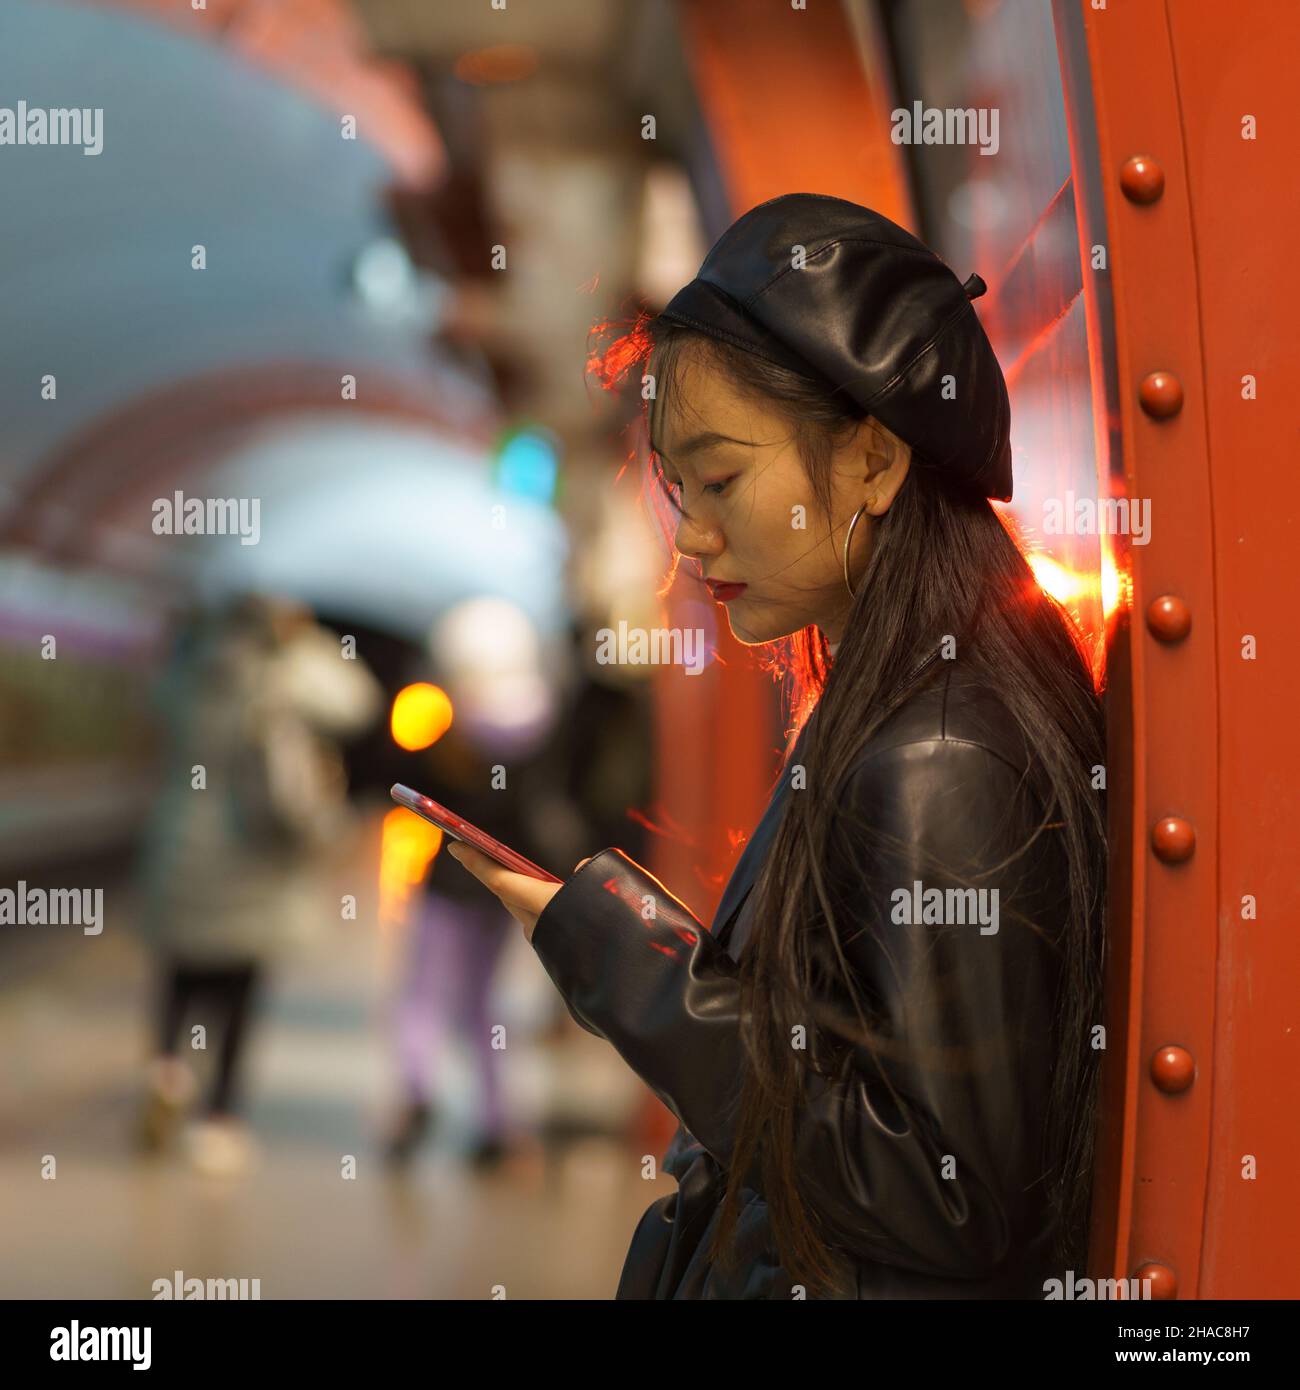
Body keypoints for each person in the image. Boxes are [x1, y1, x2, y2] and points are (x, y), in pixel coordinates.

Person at [444, 194, 1108, 1299]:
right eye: (677, 489)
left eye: (722, 479)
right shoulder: (905, 700)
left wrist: (637, 970)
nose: (692, 534)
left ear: (874, 464)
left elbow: (944, 1194)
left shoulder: (938, 755)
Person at [135, 594, 382, 1175]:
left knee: (182, 966)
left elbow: (151, 709)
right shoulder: (283, 675)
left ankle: (168, 1066)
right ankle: (219, 1118)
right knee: (240, 984)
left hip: (181, 841)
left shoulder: (186, 670)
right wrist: (306, 641)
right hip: (256, 852)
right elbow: (357, 703)